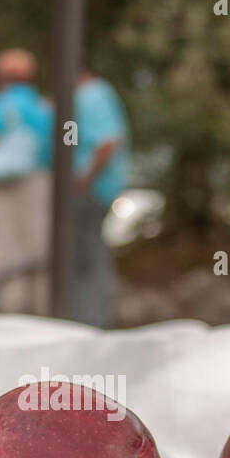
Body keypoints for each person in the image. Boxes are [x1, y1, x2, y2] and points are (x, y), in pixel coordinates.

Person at [0, 48, 54, 314]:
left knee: (6, 258)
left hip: (1, 192)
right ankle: (44, 314)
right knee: (39, 257)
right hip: (40, 187)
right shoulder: (46, 108)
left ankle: (10, 317)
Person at [73, 67, 129, 328]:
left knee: (87, 260)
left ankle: (92, 323)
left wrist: (84, 179)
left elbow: (107, 143)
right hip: (98, 191)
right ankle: (92, 320)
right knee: (89, 258)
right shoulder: (99, 94)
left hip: (92, 192)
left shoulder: (91, 95)